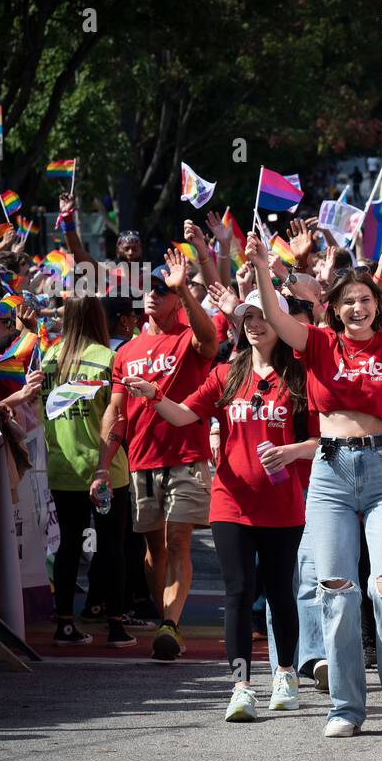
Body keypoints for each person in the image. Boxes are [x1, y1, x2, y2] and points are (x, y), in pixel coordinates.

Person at [251, 235, 382, 739]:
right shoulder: (318, 343)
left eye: (366, 299)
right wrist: (265, 269)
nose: (357, 307)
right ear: (334, 308)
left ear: (378, 305)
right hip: (330, 471)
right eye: (348, 301)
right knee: (336, 590)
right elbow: (277, 317)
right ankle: (346, 708)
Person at [124, 289, 315, 721]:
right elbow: (182, 416)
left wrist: (293, 451)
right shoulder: (225, 374)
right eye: (246, 317)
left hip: (284, 501)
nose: (253, 324)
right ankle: (242, 685)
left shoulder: (303, 376)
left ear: (280, 323)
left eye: (262, 316)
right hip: (231, 502)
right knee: (238, 592)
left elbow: (324, 441)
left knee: (280, 592)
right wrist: (154, 394)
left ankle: (285, 672)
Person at [96, 250, 218, 660]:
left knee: (178, 539)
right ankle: (167, 617)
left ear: (176, 298)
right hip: (141, 462)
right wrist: (101, 464)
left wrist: (184, 287)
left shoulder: (188, 335)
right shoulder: (126, 351)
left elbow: (212, 340)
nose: (152, 296)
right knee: (154, 551)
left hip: (187, 454)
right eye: (148, 290)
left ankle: (170, 625)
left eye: (161, 290)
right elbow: (115, 412)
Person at [40, 296, 135, 648]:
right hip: (107, 467)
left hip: (63, 465)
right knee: (112, 545)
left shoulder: (49, 358)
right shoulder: (109, 359)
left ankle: (64, 622)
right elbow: (120, 415)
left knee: (68, 545)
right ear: (98, 318)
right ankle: (115, 624)